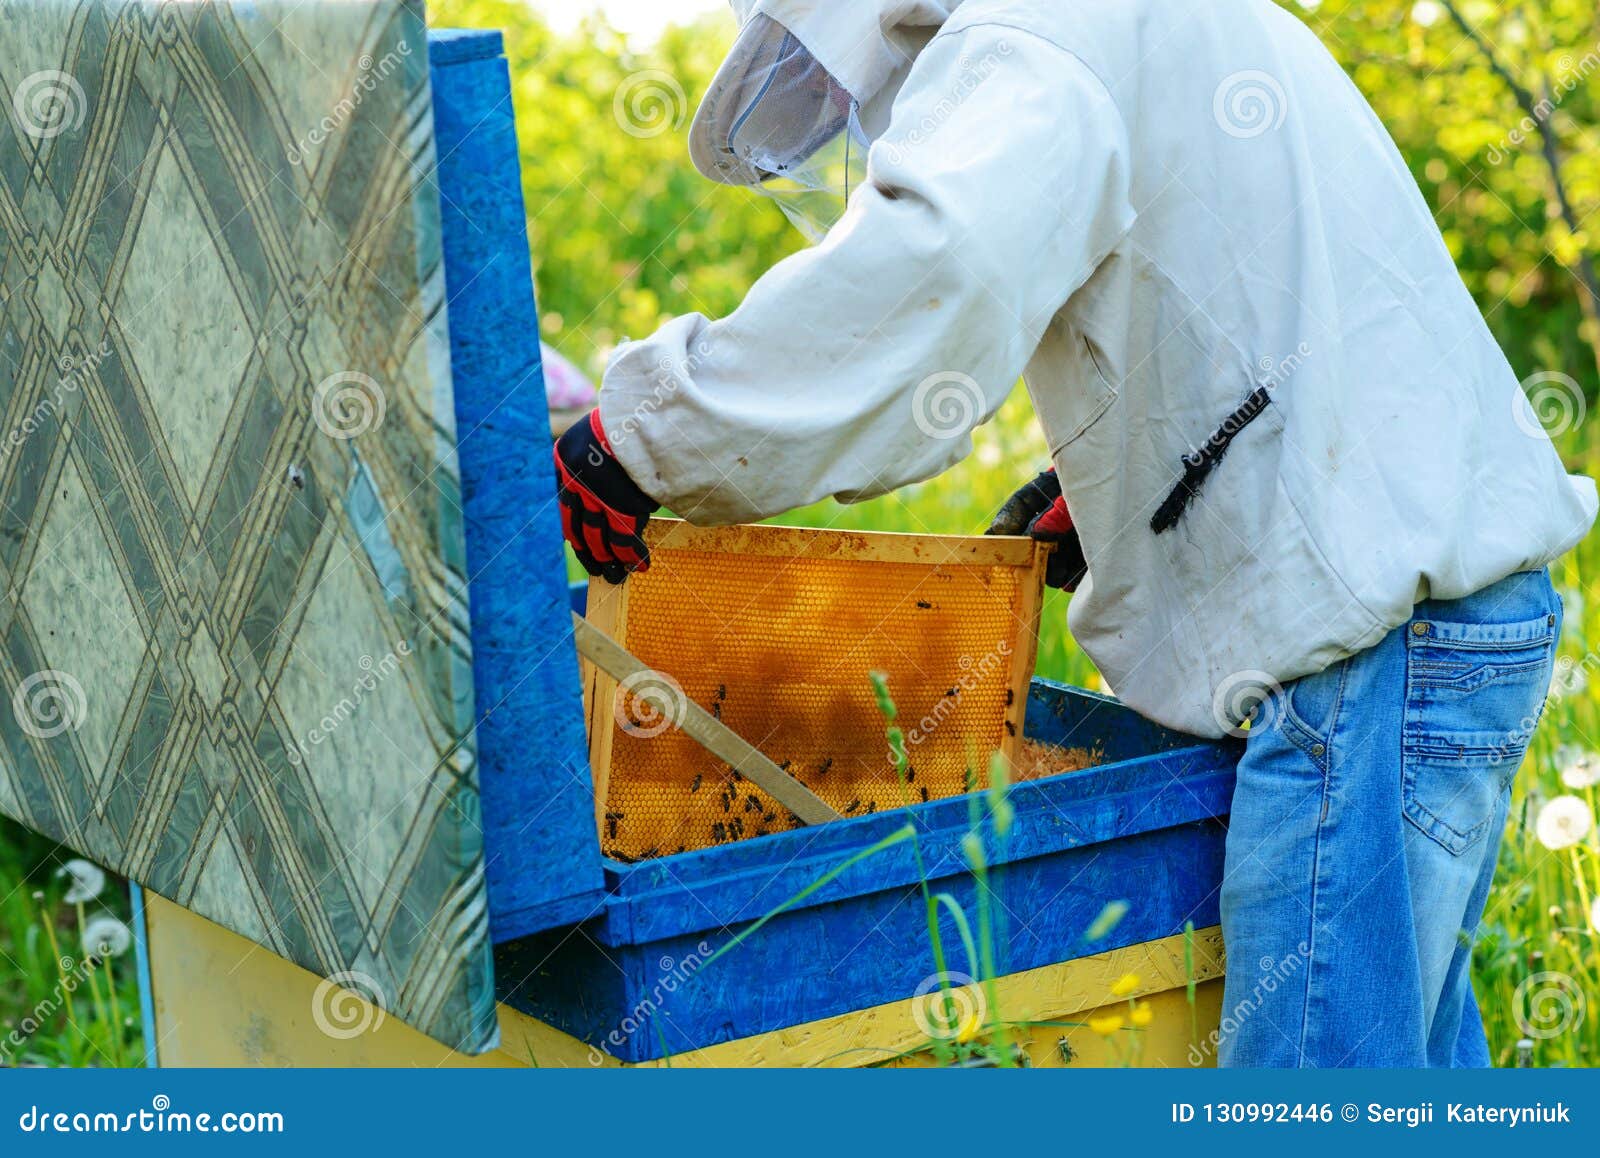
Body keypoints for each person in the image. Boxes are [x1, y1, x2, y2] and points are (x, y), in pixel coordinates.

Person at [552, 0, 1597, 1067]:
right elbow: (1268, 291)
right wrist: (1127, 478)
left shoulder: (1032, 37)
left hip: (1367, 659)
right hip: (1439, 624)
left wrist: (641, 442)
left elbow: (923, 288)